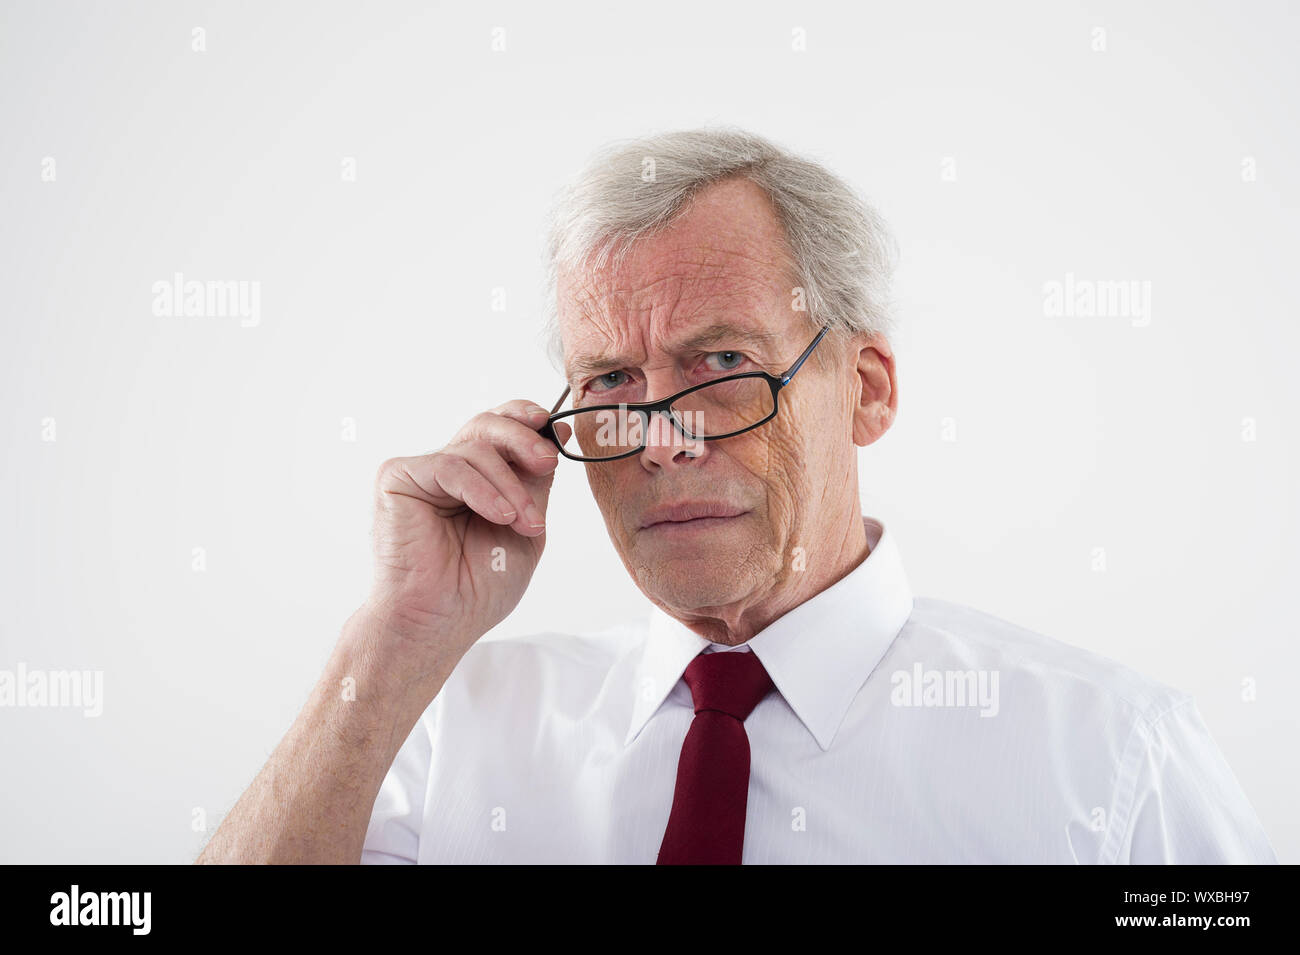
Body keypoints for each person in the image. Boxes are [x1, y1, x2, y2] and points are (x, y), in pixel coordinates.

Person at [197, 127, 1276, 864]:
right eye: (612, 380)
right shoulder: (448, 732)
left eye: (720, 363)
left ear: (864, 389)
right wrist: (392, 643)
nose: (661, 439)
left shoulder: (1111, 757)